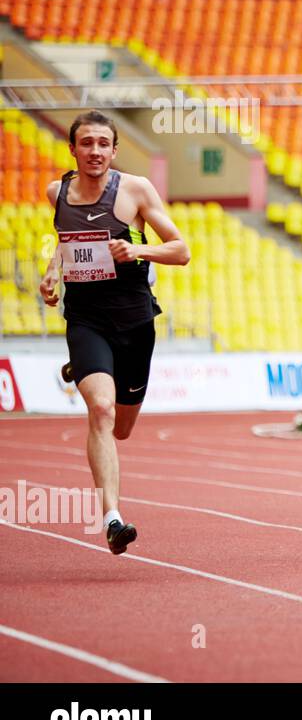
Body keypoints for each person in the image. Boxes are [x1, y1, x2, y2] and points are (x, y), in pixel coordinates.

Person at [38, 111, 190, 556]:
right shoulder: (57, 193)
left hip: (135, 322)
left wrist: (137, 248)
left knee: (122, 427)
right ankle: (112, 518)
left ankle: (85, 368)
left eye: (103, 143)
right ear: (72, 149)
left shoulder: (135, 189)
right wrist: (51, 276)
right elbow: (66, 244)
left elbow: (181, 251)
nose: (95, 151)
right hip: (86, 319)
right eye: (86, 143)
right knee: (101, 410)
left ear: (114, 150)